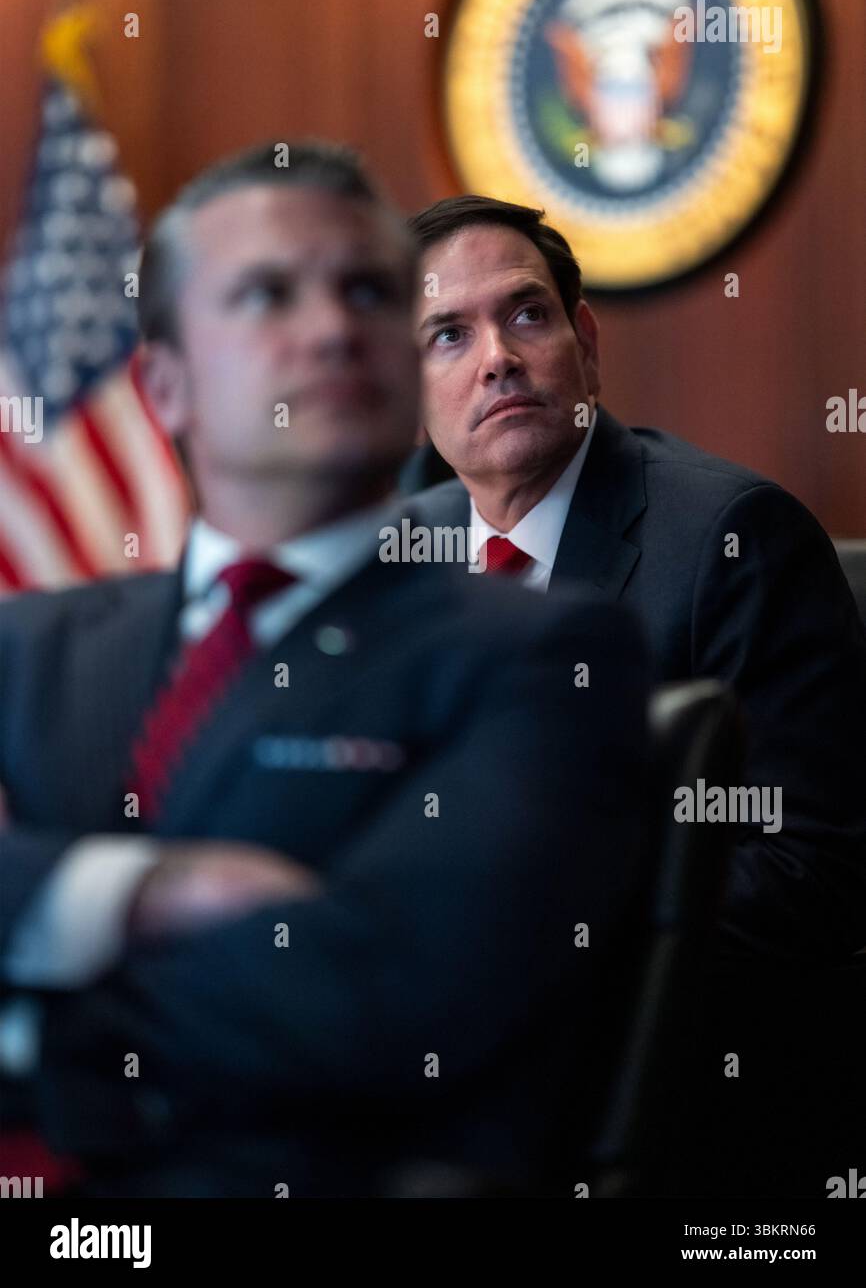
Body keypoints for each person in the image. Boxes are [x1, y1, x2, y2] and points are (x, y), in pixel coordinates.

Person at [0, 146, 650, 1198]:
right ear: (163, 382)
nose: (334, 328)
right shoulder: (29, 648)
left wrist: (31, 988)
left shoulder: (544, 655)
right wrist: (141, 892)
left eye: (366, 292)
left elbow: (386, 1000)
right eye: (266, 293)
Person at [405, 194, 866, 963]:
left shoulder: (734, 540)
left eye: (525, 315)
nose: (497, 358)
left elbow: (817, 866)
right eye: (449, 335)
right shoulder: (397, 551)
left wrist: (547, 912)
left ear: (584, 343)